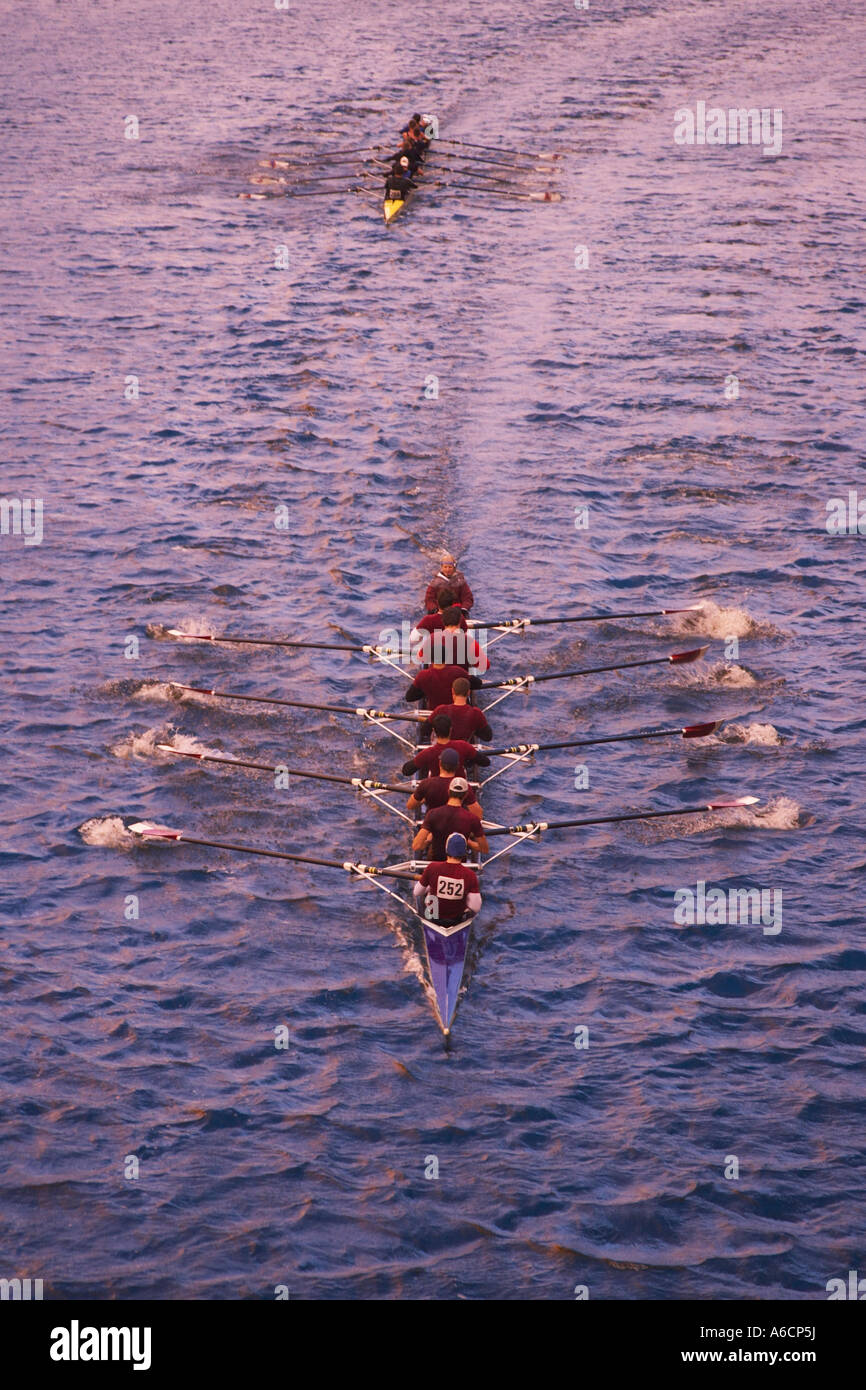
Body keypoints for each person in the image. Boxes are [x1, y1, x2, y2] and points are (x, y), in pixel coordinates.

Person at [413, 832, 483, 925]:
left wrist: (431, 885)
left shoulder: (432, 867)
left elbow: (417, 892)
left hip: (434, 917)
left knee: (428, 895)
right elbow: (476, 907)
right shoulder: (470, 875)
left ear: (446, 850)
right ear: (464, 852)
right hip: (457, 920)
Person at [412, 780, 489, 861]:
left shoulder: (432, 814)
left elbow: (416, 846)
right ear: (466, 795)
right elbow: (484, 849)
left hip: (435, 861)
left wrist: (429, 840)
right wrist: (467, 842)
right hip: (459, 864)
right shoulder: (473, 819)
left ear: (448, 792)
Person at [400, 714, 490, 778]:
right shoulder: (463, 746)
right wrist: (469, 760)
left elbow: (406, 771)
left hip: (435, 790)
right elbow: (486, 762)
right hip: (459, 786)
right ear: (450, 730)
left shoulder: (427, 753)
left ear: (434, 731)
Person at [407, 747, 484, 821]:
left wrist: (424, 799)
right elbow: (478, 814)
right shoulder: (463, 786)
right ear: (457, 766)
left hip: (432, 825)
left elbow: (410, 806)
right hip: (456, 825)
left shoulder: (426, 784)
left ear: (440, 763)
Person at [426, 675, 493, 743]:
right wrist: (474, 727)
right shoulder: (476, 713)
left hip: (443, 749)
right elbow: (488, 737)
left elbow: (424, 731)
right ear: (468, 692)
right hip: (463, 750)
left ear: (452, 691)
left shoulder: (440, 710)